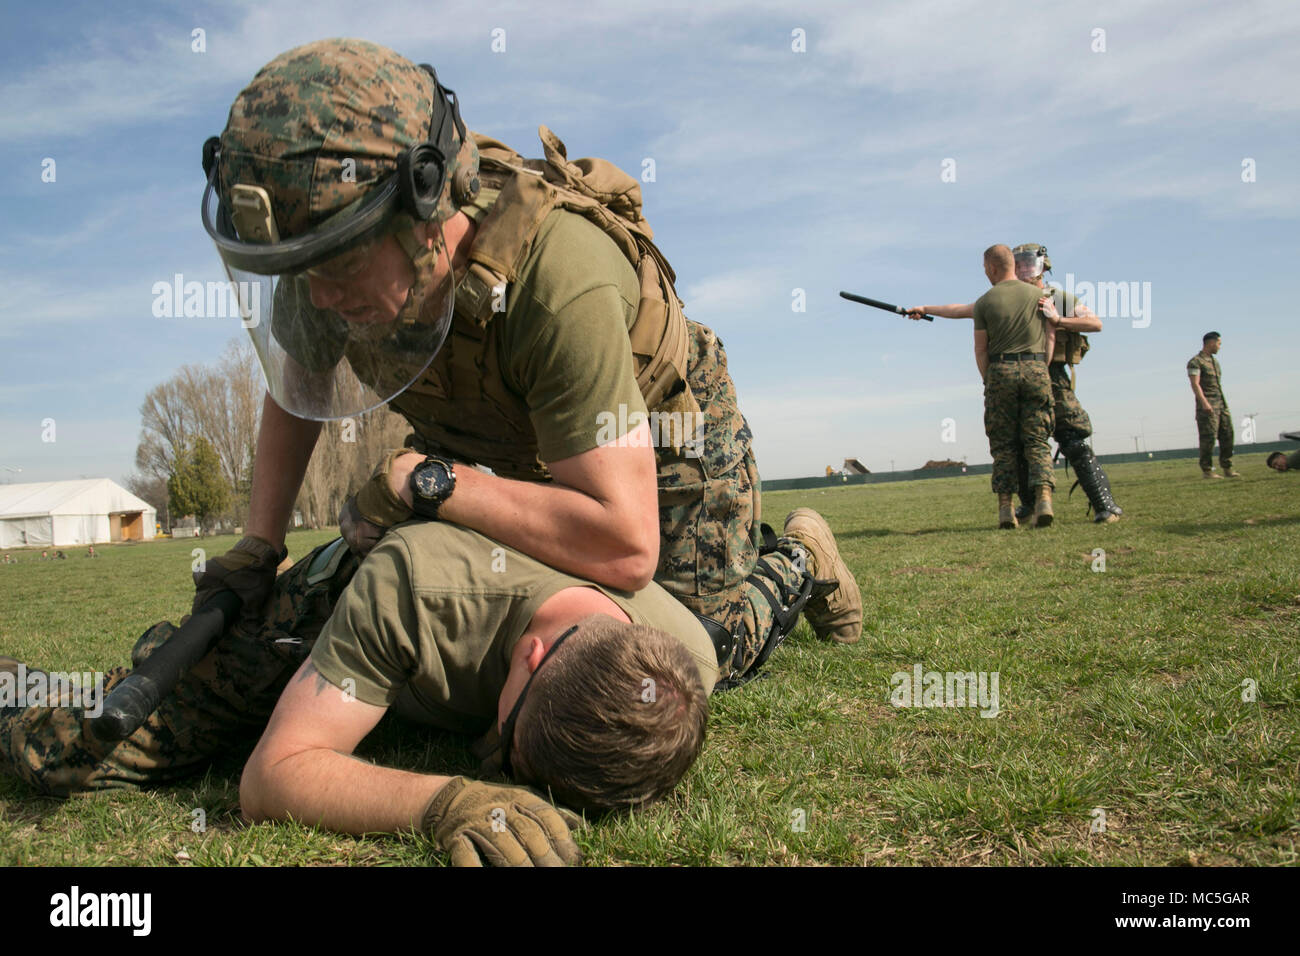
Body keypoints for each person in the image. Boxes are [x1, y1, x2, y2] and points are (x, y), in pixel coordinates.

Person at [195, 38, 860, 691]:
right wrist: (260, 543)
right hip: (509, 444)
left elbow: (623, 542)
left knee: (688, 654)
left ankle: (801, 556)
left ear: (424, 210)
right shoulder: (331, 258)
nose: (317, 298)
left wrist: (431, 482)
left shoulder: (556, 276)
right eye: (296, 270)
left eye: (337, 264)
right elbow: (297, 388)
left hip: (657, 434)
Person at [1, 506, 850, 866]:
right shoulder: (421, 586)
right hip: (325, 605)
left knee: (735, 641)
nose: (493, 757)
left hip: (684, 637)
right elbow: (271, 775)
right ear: (525, 660)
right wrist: (445, 800)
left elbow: (701, 658)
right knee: (66, 749)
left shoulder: (682, 659)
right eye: (507, 746)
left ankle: (806, 552)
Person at [907, 244, 1121, 523]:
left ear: (1043, 266)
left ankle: (1105, 505)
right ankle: (1031, 504)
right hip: (1033, 373)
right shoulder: (1011, 296)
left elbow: (1094, 323)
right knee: (1021, 441)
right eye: (1018, 263)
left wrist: (1058, 319)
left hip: (1051, 375)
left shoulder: (1056, 296)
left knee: (1072, 439)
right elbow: (963, 309)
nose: (1023, 269)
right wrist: (925, 309)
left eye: (1028, 264)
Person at [971, 245, 1056, 528]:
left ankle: (1006, 508)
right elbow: (1050, 338)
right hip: (1036, 369)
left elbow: (981, 350)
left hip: (1000, 370)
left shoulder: (984, 302)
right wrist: (1041, 368)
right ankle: (1044, 499)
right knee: (1037, 439)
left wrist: (989, 379)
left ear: (993, 267)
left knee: (1003, 444)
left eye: (985, 270)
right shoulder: (1041, 295)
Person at [1188, 332, 1238, 478]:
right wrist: (1204, 403)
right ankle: (1207, 470)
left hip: (1221, 404)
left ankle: (1227, 468)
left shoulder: (1214, 362)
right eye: (1219, 343)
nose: (1219, 346)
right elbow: (1195, 384)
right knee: (1208, 438)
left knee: (1228, 435)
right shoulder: (1195, 362)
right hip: (1207, 406)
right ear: (1211, 343)